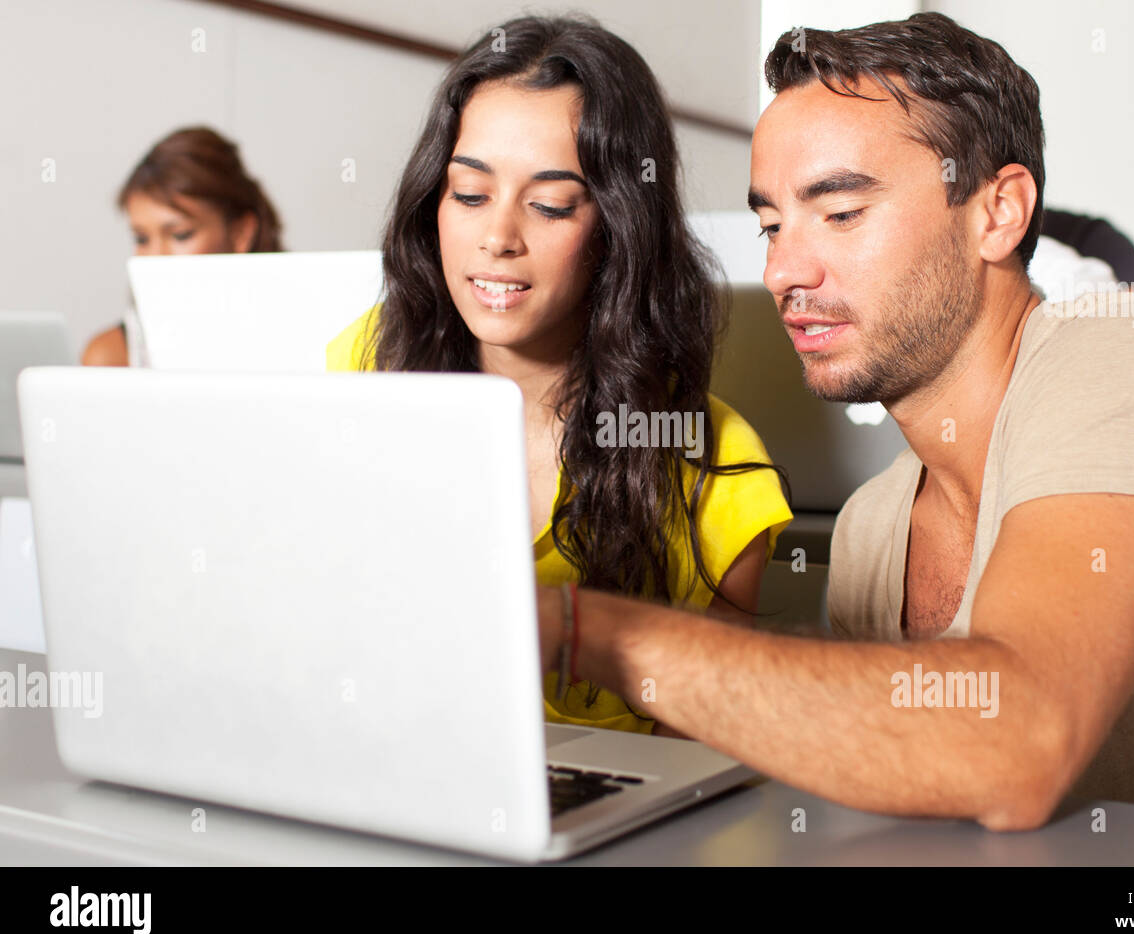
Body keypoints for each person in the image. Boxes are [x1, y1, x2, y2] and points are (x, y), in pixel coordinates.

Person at [533, 13, 1134, 827]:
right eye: (771, 225)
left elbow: (1013, 744)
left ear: (998, 212)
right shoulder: (872, 532)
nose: (784, 270)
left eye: (842, 213)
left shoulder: (1125, 358)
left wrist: (590, 631)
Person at [326, 16, 792, 735]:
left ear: (619, 226)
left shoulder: (717, 468)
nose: (497, 239)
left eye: (548, 205)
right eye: (470, 194)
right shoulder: (367, 364)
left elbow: (695, 760)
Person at [81, 126, 283, 367]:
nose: (155, 258)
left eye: (180, 235)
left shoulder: (297, 338)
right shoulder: (112, 357)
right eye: (142, 239)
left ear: (241, 233)